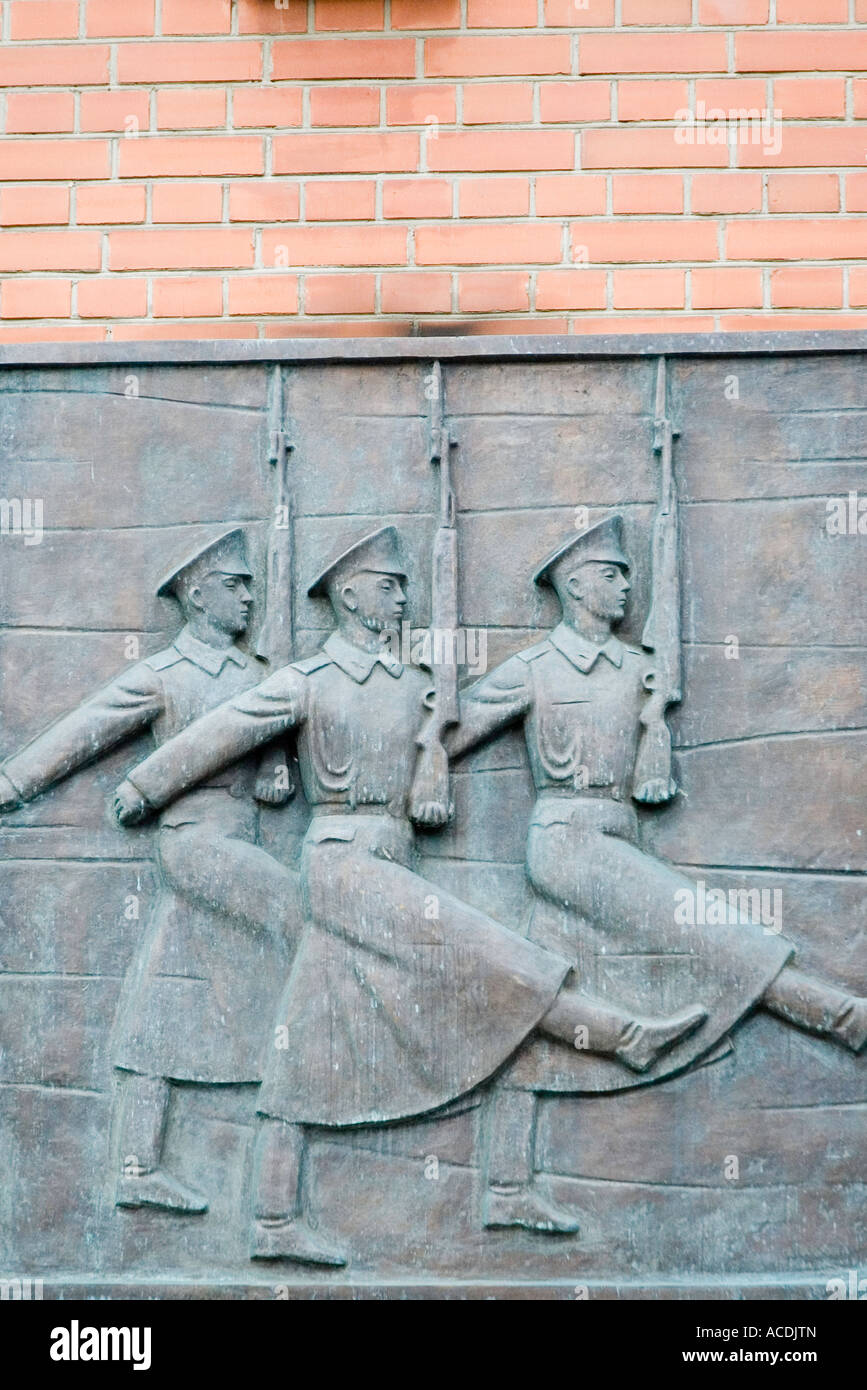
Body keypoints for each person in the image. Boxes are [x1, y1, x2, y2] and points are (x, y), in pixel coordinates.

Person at [112, 525, 707, 1264]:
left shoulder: (418, 684)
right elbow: (225, 733)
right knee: (474, 945)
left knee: (304, 1040)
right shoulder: (310, 680)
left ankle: (270, 1217)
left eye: (402, 585)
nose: (401, 597)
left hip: (389, 860)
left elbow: (460, 734)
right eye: (387, 585)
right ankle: (615, 1032)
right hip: (340, 863)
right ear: (348, 594)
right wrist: (145, 784)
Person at [442, 515, 867, 1230]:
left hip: (615, 839)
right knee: (709, 930)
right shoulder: (534, 668)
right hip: (566, 844)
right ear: (574, 585)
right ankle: (838, 1014)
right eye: (611, 574)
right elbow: (451, 734)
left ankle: (506, 1188)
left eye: (628, 574)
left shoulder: (640, 668)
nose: (625, 586)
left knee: (542, 1002)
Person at [0, 530, 303, 1213]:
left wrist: (279, 769)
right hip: (195, 845)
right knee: (305, 930)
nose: (249, 596)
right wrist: (12, 784)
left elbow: (276, 764)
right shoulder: (165, 674)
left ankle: (138, 1170)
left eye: (252, 584)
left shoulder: (261, 676)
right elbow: (86, 729)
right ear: (197, 595)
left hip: (239, 842)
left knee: (162, 1003)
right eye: (236, 584)